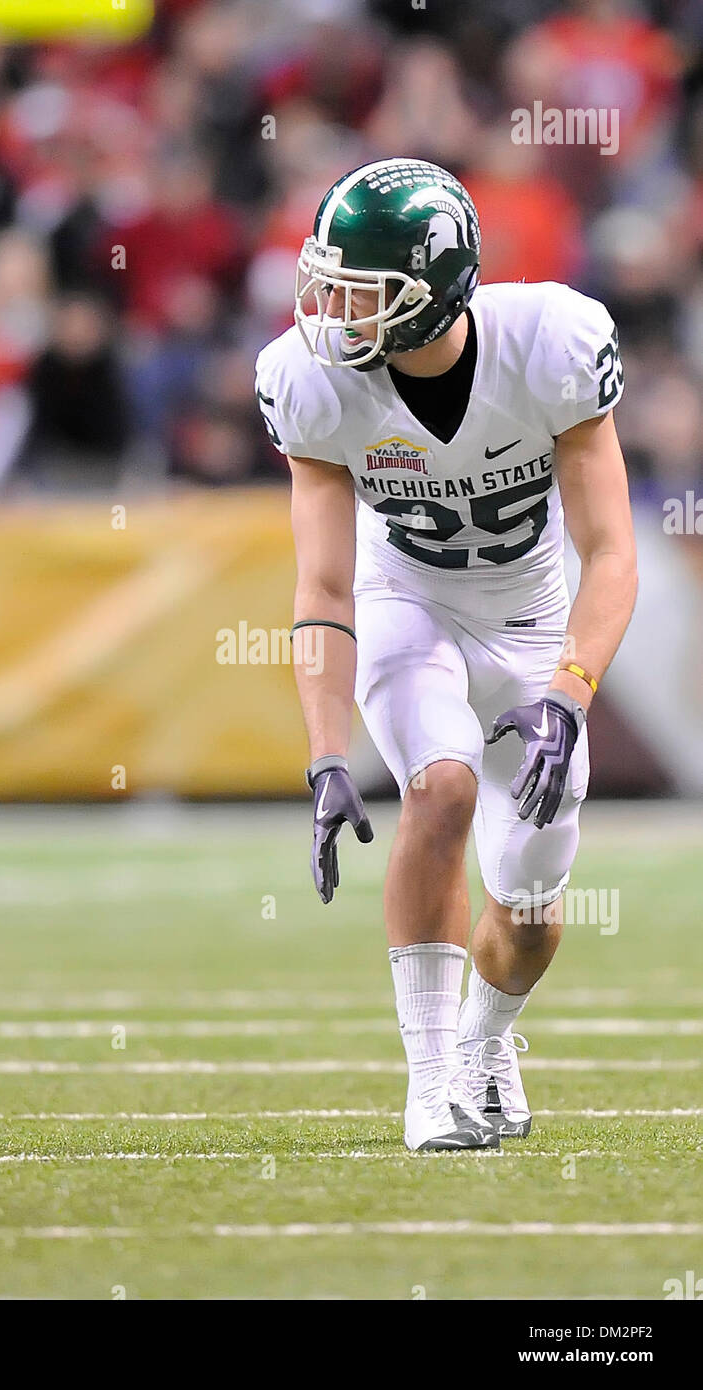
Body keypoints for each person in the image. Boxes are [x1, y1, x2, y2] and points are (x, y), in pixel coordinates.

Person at [254, 158, 637, 1152]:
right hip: (405, 600)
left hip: (529, 619)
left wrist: (567, 692)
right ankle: (430, 1080)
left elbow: (608, 553)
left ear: (431, 291)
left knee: (533, 914)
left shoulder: (547, 341)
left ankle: (482, 1039)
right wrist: (326, 753)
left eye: (361, 290)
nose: (331, 307)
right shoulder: (313, 384)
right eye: (328, 280)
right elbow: (325, 588)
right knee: (438, 788)